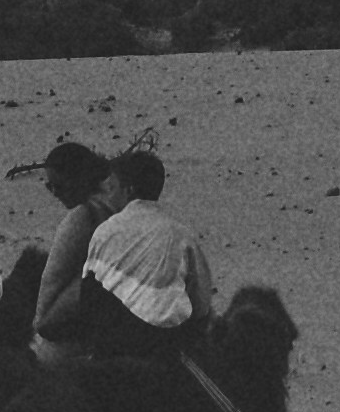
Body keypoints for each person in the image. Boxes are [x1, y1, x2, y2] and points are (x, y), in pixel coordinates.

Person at [49, 141, 217, 359]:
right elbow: (201, 305)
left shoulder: (105, 231)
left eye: (113, 187)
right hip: (164, 346)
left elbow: (89, 295)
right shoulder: (181, 235)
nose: (109, 194)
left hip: (113, 346)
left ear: (127, 190)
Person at [24, 134, 113, 354]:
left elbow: (55, 275)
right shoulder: (115, 205)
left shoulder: (83, 216)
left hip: (80, 327)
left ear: (80, 179)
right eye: (49, 186)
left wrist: (39, 324)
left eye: (59, 186)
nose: (55, 193)